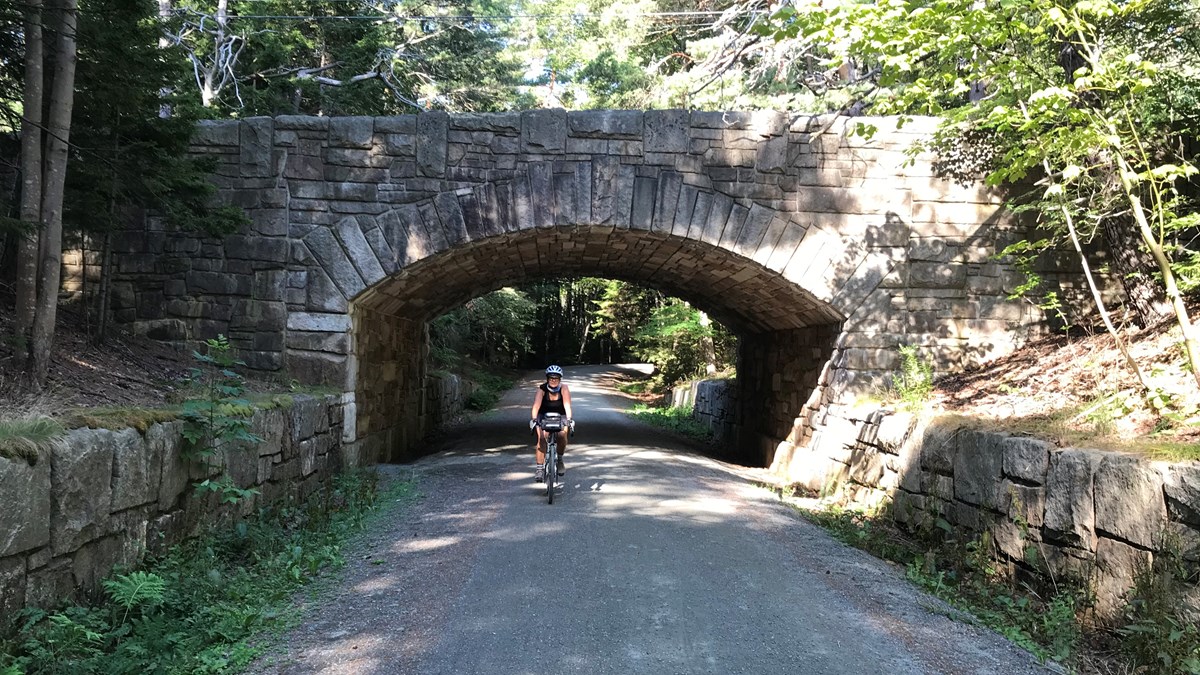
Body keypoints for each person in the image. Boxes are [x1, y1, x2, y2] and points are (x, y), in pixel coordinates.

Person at [529, 365, 573, 482]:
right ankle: (539, 468)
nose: (553, 380)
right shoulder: (542, 389)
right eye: (551, 378)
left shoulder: (564, 388)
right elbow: (536, 406)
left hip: (560, 415)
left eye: (556, 378)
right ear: (547, 378)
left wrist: (569, 419)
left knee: (562, 435)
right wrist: (534, 419)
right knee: (542, 438)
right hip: (543, 415)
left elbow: (567, 405)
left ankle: (559, 460)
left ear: (560, 379)